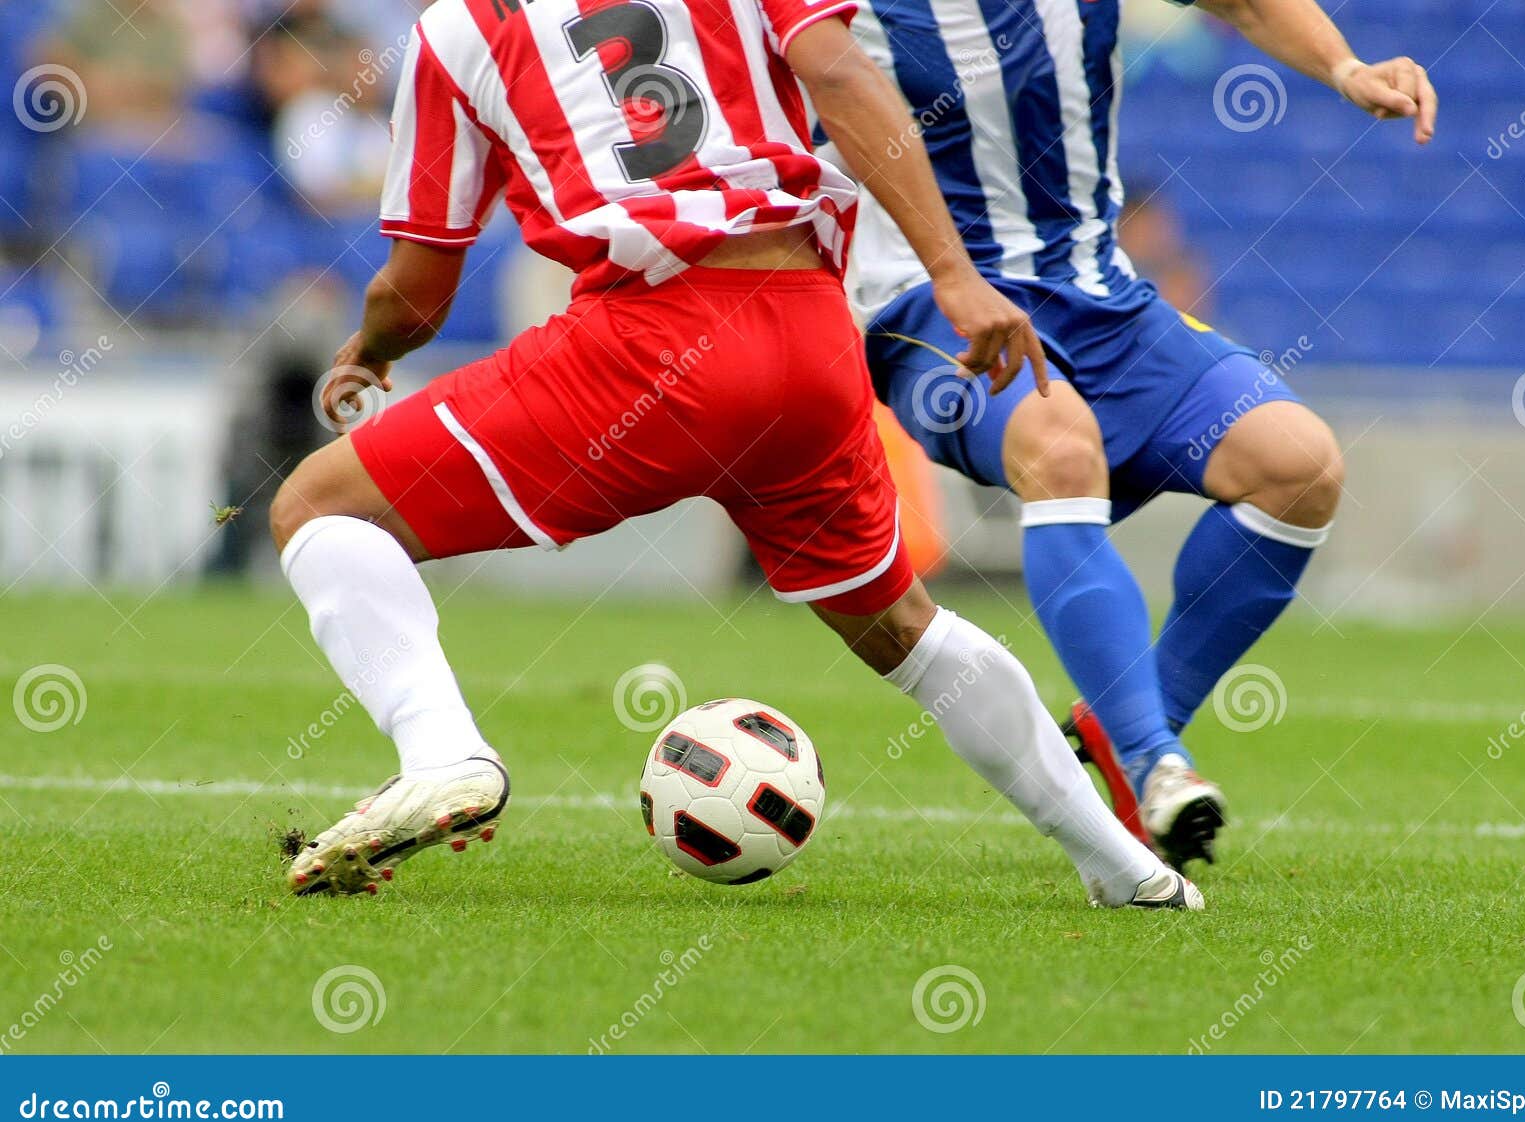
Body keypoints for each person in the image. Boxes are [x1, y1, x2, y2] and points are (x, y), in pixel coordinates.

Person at [268, 0, 1201, 911]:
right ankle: (1125, 866)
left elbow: (421, 286)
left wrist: (374, 348)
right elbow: (839, 70)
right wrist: (952, 274)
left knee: (318, 509)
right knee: (902, 627)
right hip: (806, 331)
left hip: (647, 341)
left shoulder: (457, 30)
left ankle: (441, 753)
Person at [845, 0, 1436, 866]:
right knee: (1061, 446)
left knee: (1298, 466)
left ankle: (1127, 716)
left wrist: (1346, 68)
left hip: (1101, 296)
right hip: (930, 304)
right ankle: (1152, 761)